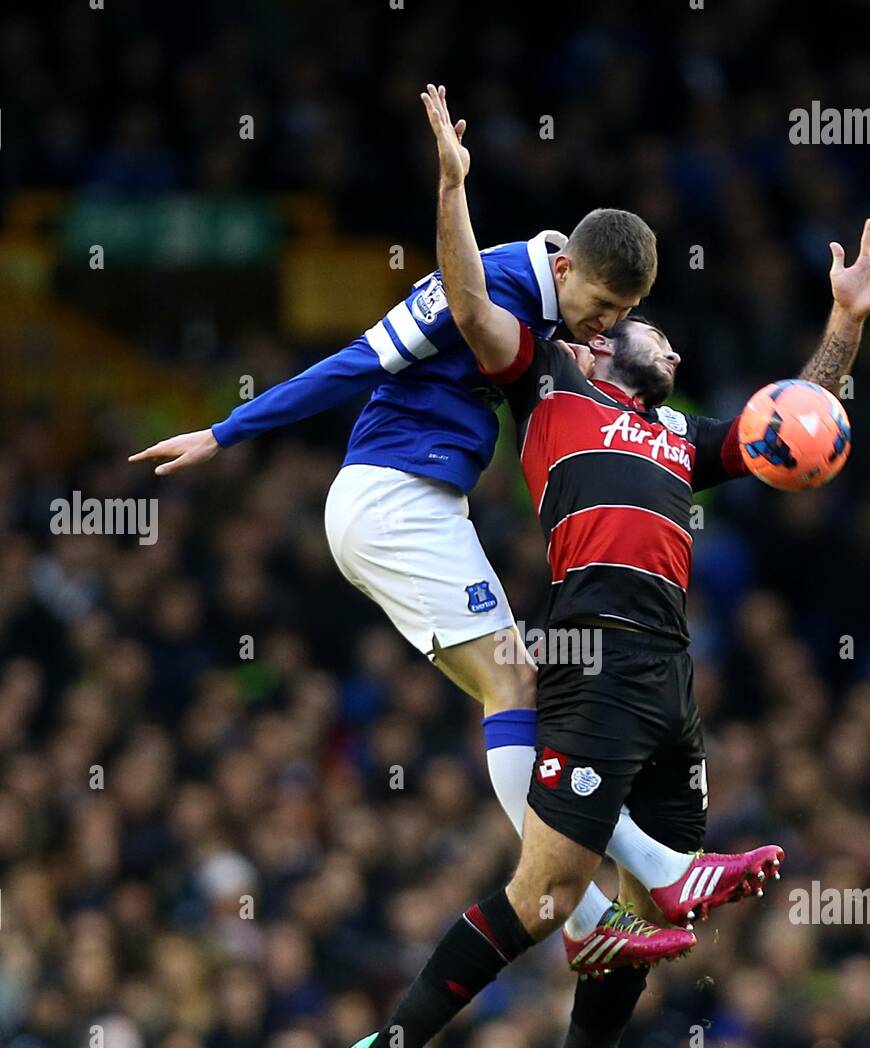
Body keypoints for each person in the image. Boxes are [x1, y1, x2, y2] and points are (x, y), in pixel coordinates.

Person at [340, 86, 870, 1048]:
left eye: (652, 325)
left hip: (669, 671)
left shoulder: (676, 436)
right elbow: (468, 302)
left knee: (651, 905)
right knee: (548, 893)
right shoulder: (552, 381)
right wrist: (455, 191)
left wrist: (843, 324)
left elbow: (788, 427)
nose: (648, 331)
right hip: (590, 647)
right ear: (597, 339)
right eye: (631, 320)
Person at [130, 84, 784, 951]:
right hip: (388, 501)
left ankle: (596, 916)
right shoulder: (493, 284)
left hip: (422, 504)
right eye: (602, 306)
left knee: (514, 689)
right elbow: (355, 360)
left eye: (623, 316)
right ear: (563, 270)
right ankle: (635, 889)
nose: (608, 325)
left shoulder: (559, 320)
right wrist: (226, 430)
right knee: (516, 682)